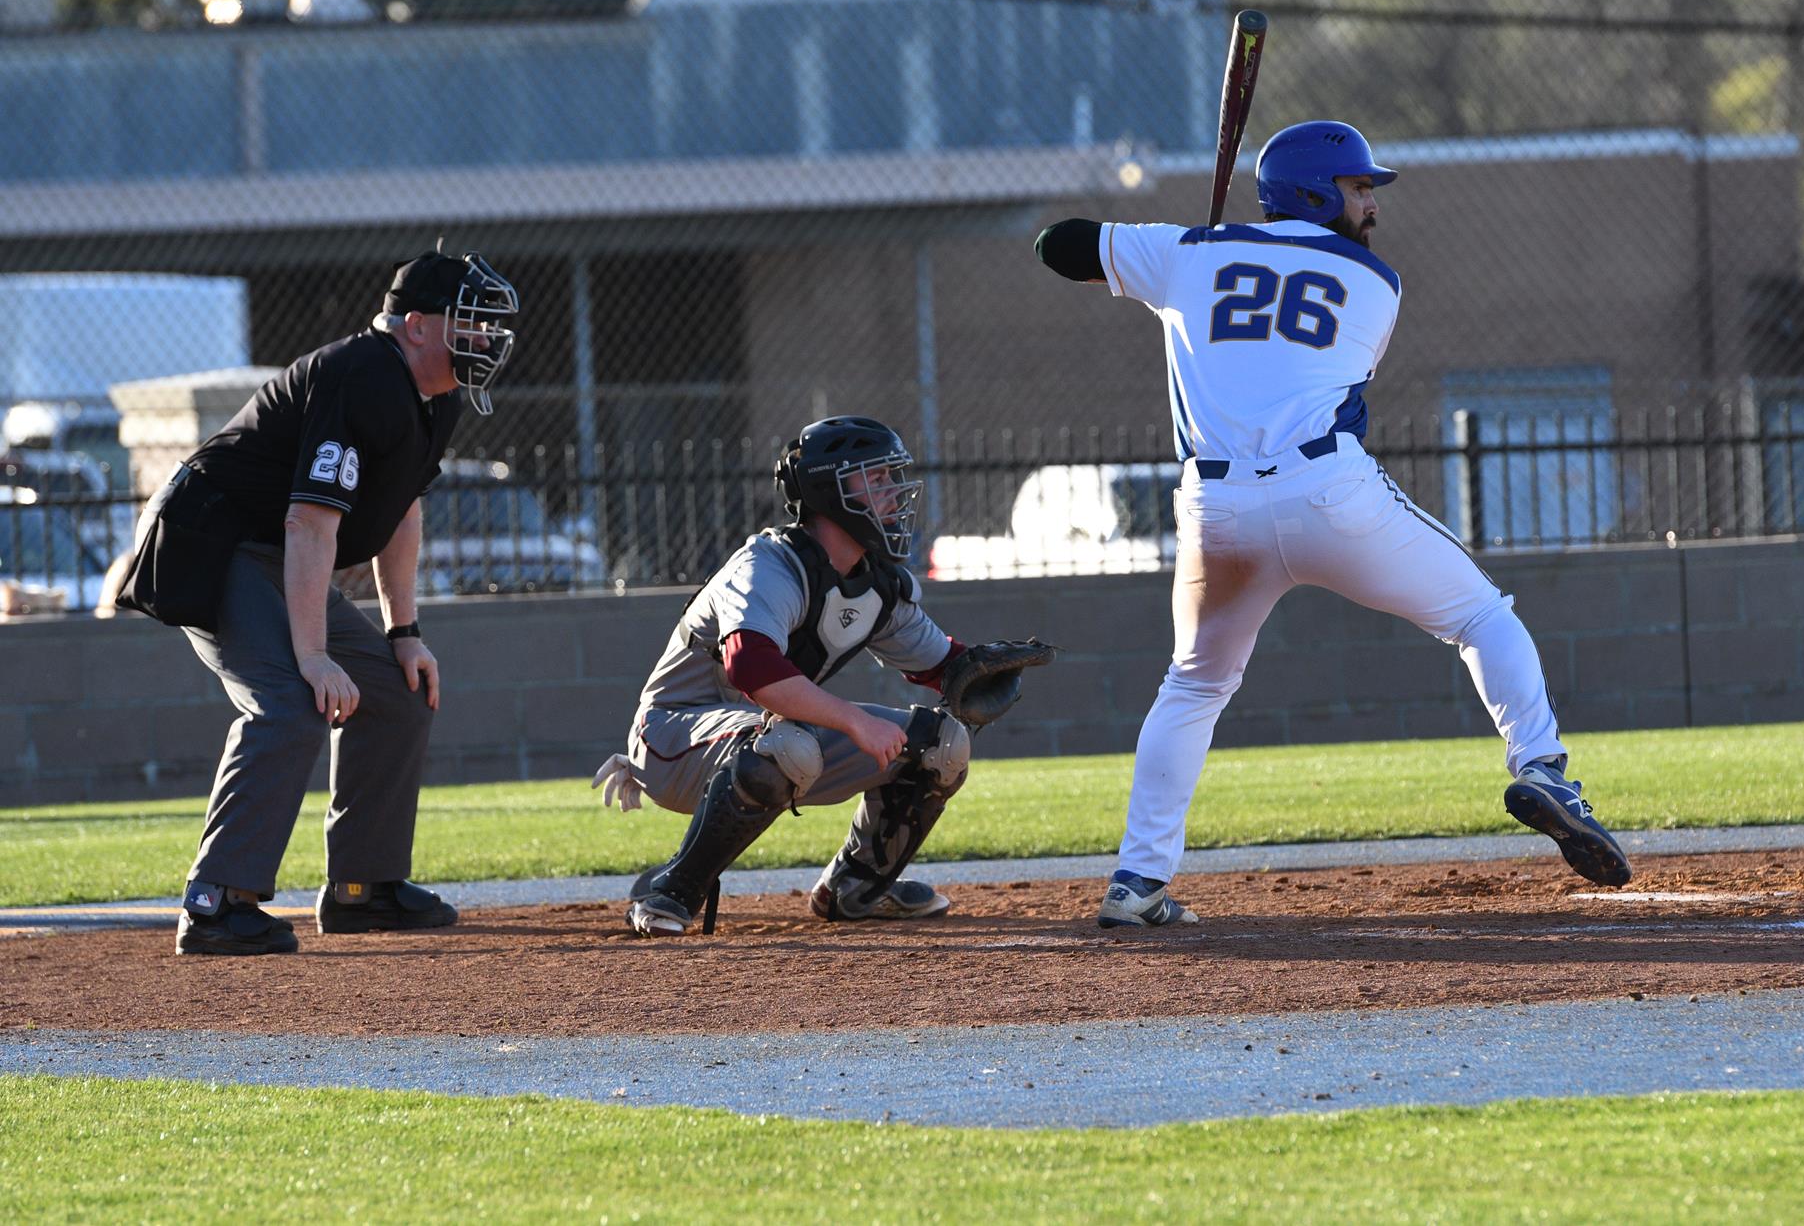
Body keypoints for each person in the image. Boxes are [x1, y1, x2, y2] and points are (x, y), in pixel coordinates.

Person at [1033, 120, 1631, 929]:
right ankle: (1544, 768)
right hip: (1327, 493)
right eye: (1357, 188)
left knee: (1195, 684)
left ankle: (1137, 881)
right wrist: (1200, 258)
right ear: (1315, 193)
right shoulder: (1376, 283)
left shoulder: (1187, 252)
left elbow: (1055, 245)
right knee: (1481, 615)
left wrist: (1177, 255)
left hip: (1217, 516)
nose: (1369, 205)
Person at [117, 248, 519, 955]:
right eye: (470, 323)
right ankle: (214, 902)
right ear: (417, 325)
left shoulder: (437, 396)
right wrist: (311, 655)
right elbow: (309, 522)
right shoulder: (361, 374)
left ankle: (363, 890)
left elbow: (400, 512)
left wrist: (405, 632)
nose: (484, 339)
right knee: (289, 700)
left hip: (276, 552)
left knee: (395, 693)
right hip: (214, 541)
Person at [590, 415, 1056, 937]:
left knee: (942, 744)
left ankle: (855, 887)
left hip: (762, 733)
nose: (893, 493)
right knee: (787, 747)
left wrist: (974, 676)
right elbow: (752, 667)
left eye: (891, 478)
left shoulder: (876, 583)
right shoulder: (767, 565)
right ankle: (671, 891)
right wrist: (856, 722)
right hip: (671, 735)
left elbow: (942, 666)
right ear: (828, 491)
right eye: (876, 479)